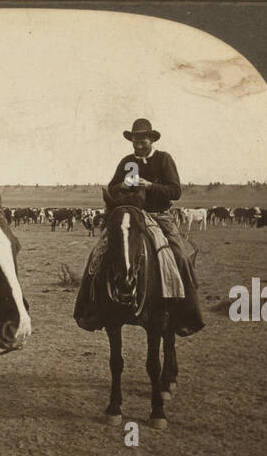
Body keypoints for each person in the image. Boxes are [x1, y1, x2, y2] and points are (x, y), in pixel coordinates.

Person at [78, 118, 203, 335]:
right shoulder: (127, 161)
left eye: (142, 140)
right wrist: (121, 185)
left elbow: (175, 191)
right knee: (98, 254)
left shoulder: (164, 159)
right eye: (135, 140)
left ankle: (186, 314)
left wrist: (151, 186)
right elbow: (111, 187)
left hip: (158, 215)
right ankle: (90, 310)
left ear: (151, 139)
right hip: (129, 215)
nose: (138, 144)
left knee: (180, 256)